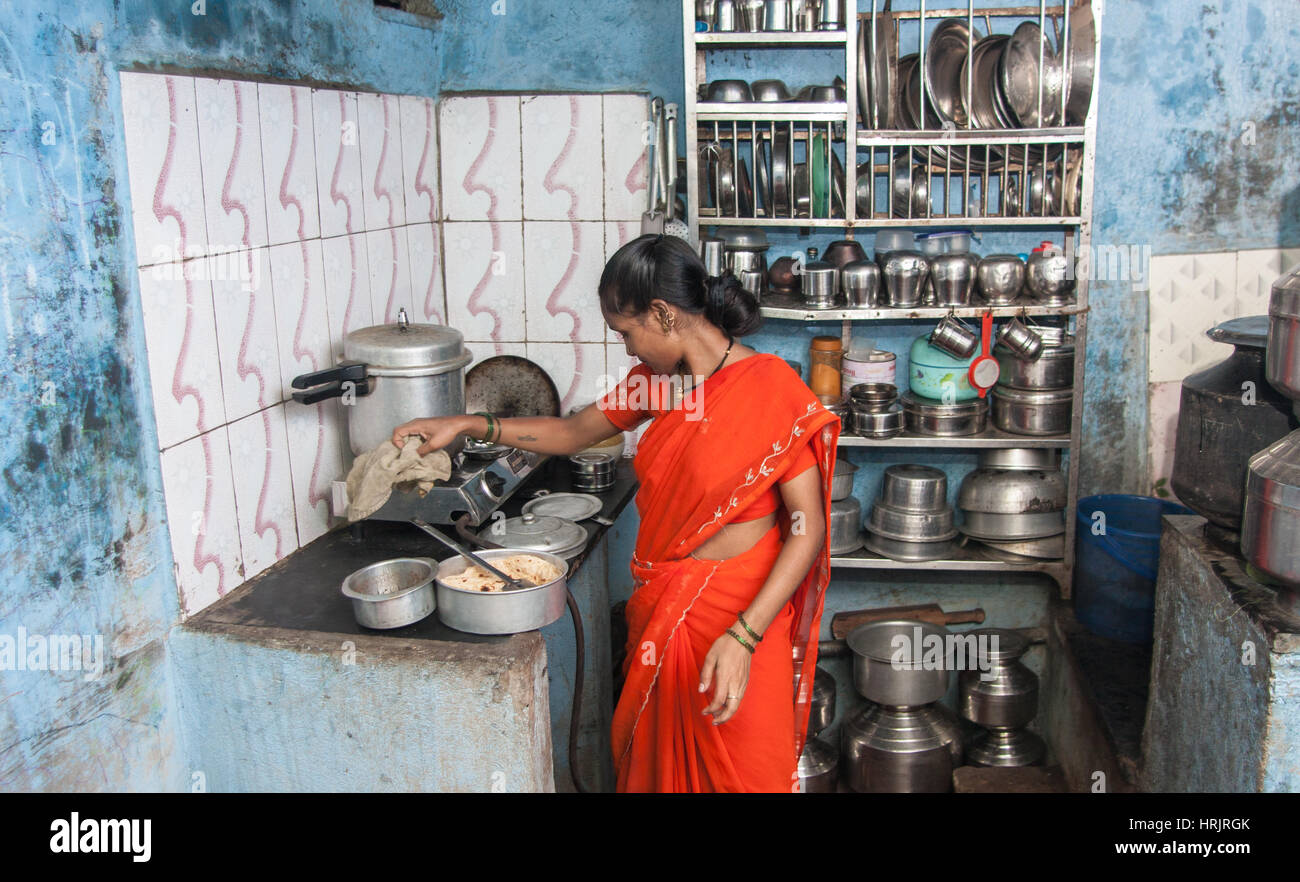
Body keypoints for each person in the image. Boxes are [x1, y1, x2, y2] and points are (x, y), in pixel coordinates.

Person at [392, 234, 840, 792]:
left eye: (627, 333)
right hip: (668, 606)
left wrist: (744, 637)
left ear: (663, 314)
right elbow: (575, 432)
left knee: (744, 772)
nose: (627, 350)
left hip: (745, 614)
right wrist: (467, 424)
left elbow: (806, 530)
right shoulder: (656, 384)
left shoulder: (771, 388)